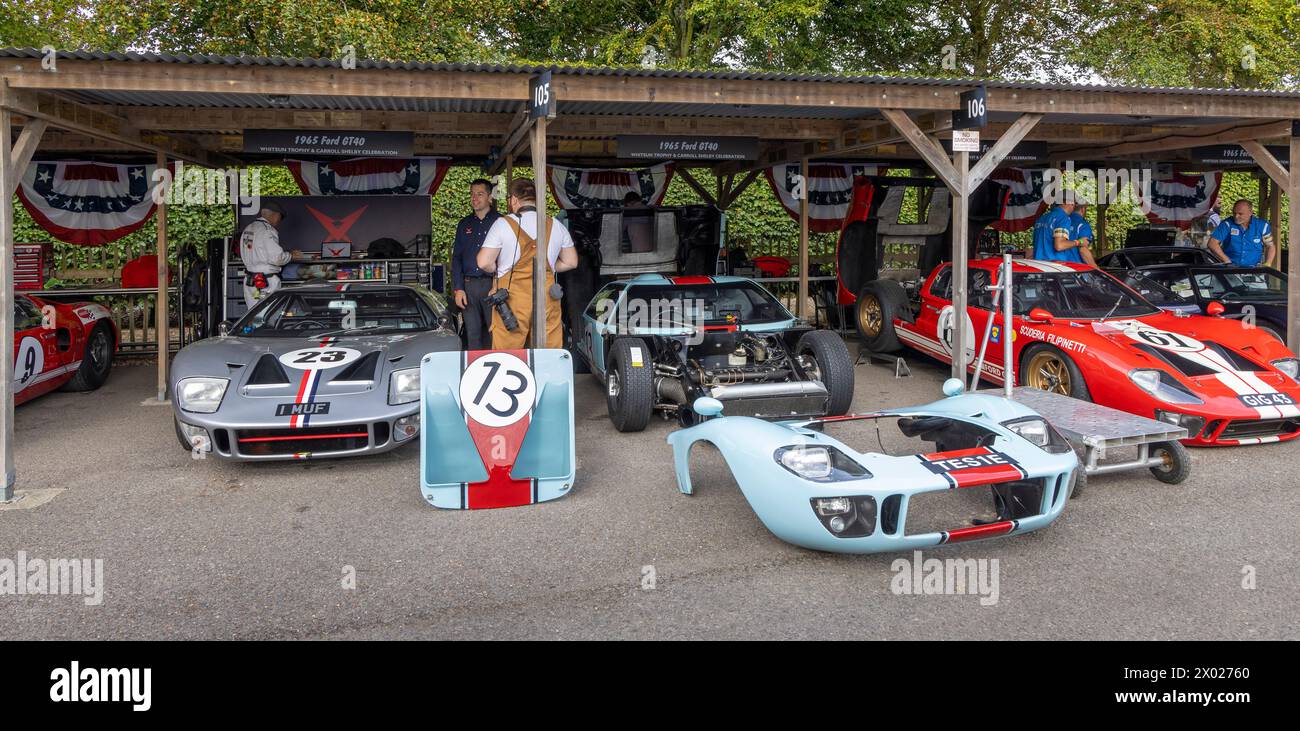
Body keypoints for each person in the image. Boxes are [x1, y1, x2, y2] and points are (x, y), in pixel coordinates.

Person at [477, 179, 579, 349]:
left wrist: (496, 269)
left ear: (514, 200)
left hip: (511, 299)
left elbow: (483, 262)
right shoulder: (555, 225)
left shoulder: (503, 224)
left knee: (508, 354)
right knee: (548, 353)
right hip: (547, 297)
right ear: (536, 199)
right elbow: (571, 261)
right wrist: (551, 266)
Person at [451, 178, 501, 350]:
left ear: (490, 197)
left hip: (493, 285)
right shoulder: (464, 224)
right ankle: (475, 374)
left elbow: (509, 257)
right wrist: (458, 289)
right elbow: (456, 258)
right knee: (472, 334)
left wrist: (499, 284)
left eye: (480, 194)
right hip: (469, 286)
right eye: (472, 194)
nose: (475, 198)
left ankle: (497, 373)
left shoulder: (501, 222)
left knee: (494, 332)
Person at [239, 201, 298, 306]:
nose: (279, 220)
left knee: (252, 314)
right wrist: (291, 255)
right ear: (275, 215)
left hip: (250, 280)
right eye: (280, 217)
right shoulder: (267, 230)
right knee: (269, 315)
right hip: (267, 281)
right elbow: (277, 258)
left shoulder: (248, 228)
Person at [1208, 199, 1274, 267]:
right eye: (1234, 213)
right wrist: (1227, 261)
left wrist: (1267, 264)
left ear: (1250, 213)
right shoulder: (1227, 224)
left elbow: (1270, 246)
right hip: (1230, 270)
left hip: (1254, 271)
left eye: (1240, 214)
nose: (1236, 216)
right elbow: (1212, 243)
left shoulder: (1262, 226)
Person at [1029, 201, 1095, 265]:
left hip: (1039, 265)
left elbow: (1037, 244)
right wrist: (1079, 241)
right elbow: (1060, 246)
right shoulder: (1064, 218)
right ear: (1083, 209)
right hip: (1057, 267)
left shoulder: (1042, 218)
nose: (1073, 205)